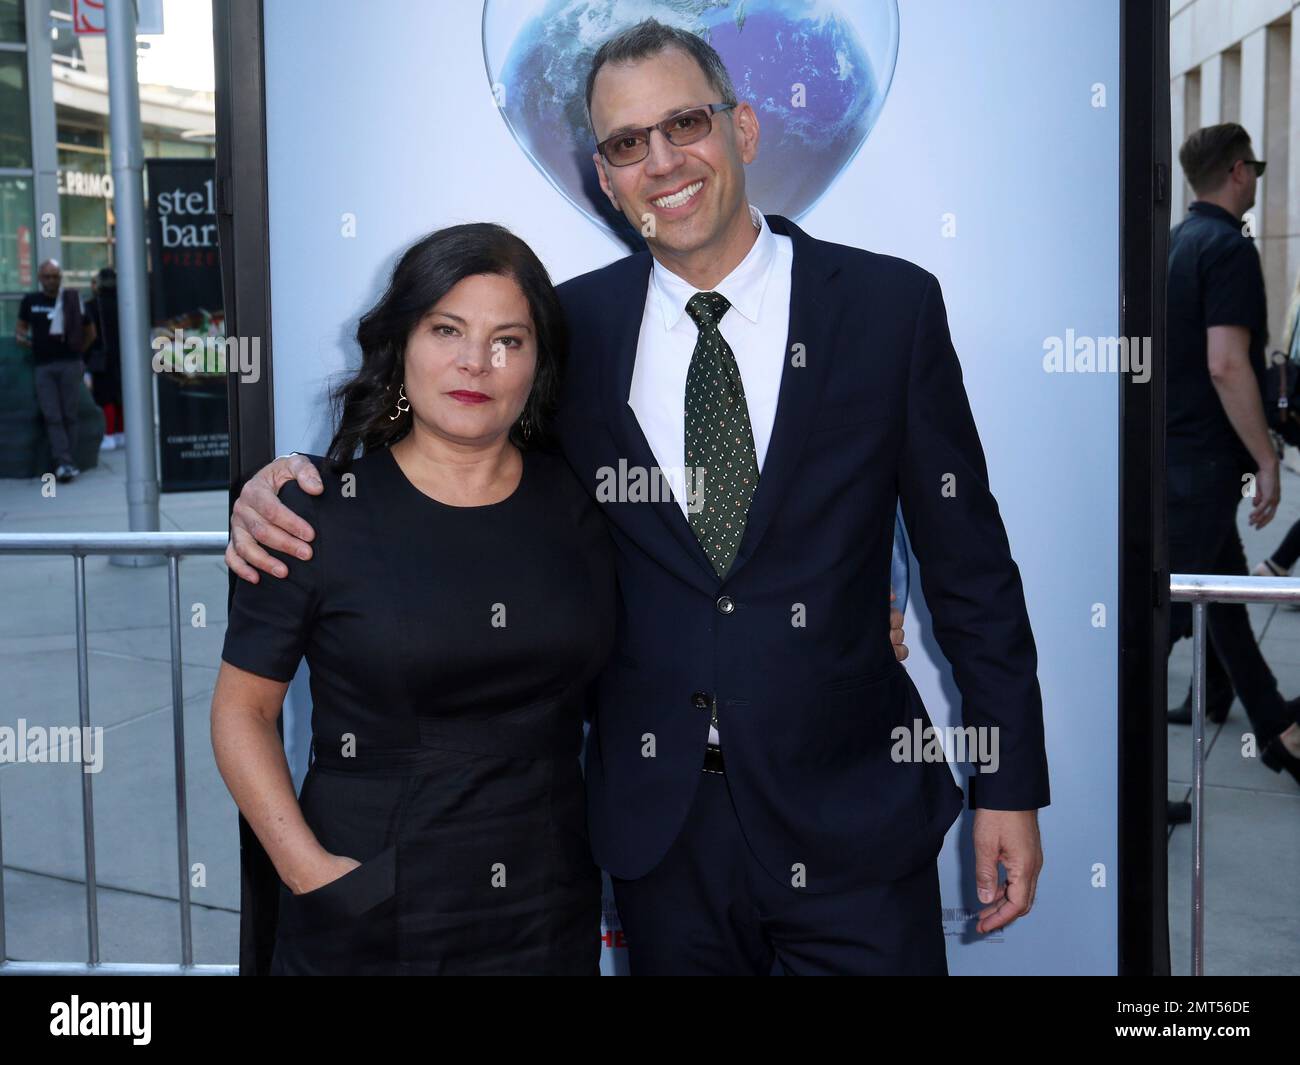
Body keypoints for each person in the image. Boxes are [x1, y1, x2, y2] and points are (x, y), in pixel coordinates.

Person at [226, 19, 1041, 975]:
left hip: (854, 823)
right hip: (662, 848)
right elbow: (448, 457)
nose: (662, 161)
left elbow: (970, 565)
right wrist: (283, 482)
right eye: (626, 143)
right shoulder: (571, 333)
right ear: (605, 179)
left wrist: (1009, 781)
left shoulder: (889, 309)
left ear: (742, 126)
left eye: (684, 123)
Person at [1163, 123, 1300, 811]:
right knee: (1160, 624)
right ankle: (1118, 784)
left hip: (1177, 459)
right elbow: (1227, 363)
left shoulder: (1178, 244)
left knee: (1221, 603)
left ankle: (1280, 729)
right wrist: (1266, 459)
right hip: (1206, 463)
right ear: (1239, 171)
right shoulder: (1228, 250)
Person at [16, 258, 97, 482]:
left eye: (55, 276)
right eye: (47, 276)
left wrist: (78, 351)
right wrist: (23, 339)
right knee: (52, 415)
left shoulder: (71, 300)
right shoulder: (31, 301)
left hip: (69, 363)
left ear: (60, 278)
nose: (51, 280)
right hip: (43, 365)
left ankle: (67, 461)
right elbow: (21, 328)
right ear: (40, 278)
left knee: (69, 414)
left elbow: (90, 331)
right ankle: (63, 462)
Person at [84, 267, 123, 451]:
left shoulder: (92, 305)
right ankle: (122, 433)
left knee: (105, 397)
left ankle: (108, 435)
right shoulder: (126, 302)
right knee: (123, 396)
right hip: (125, 356)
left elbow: (88, 334)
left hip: (101, 357)